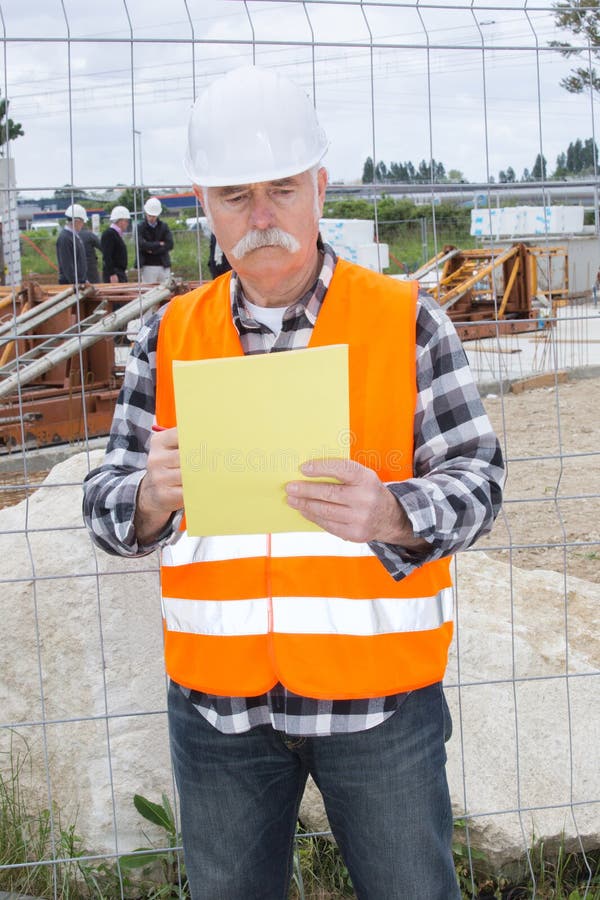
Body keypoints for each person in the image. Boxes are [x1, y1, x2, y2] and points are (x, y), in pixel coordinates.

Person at [83, 65, 505, 900]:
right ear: (202, 203)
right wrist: (149, 498)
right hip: (219, 716)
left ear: (321, 185)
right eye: (237, 197)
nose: (263, 217)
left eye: (282, 189)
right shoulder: (169, 335)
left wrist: (393, 510)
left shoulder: (405, 319)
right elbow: (104, 505)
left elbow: (480, 481)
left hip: (378, 708)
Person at [136, 196, 174, 283]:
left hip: (163, 265)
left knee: (166, 291)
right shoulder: (140, 227)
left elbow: (170, 244)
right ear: (146, 213)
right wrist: (159, 244)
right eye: (150, 216)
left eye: (154, 216)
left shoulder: (164, 226)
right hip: (148, 266)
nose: (152, 218)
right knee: (148, 292)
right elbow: (141, 244)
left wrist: (152, 250)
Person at [56, 204, 87, 284]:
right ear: (76, 221)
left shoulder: (73, 236)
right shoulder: (65, 238)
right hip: (70, 284)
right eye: (82, 222)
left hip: (78, 282)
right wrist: (76, 284)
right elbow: (67, 265)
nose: (83, 225)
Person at [101, 205, 130, 283]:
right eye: (126, 221)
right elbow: (107, 256)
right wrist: (112, 274)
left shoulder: (116, 234)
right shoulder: (109, 234)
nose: (127, 224)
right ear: (120, 221)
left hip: (119, 272)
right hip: (114, 274)